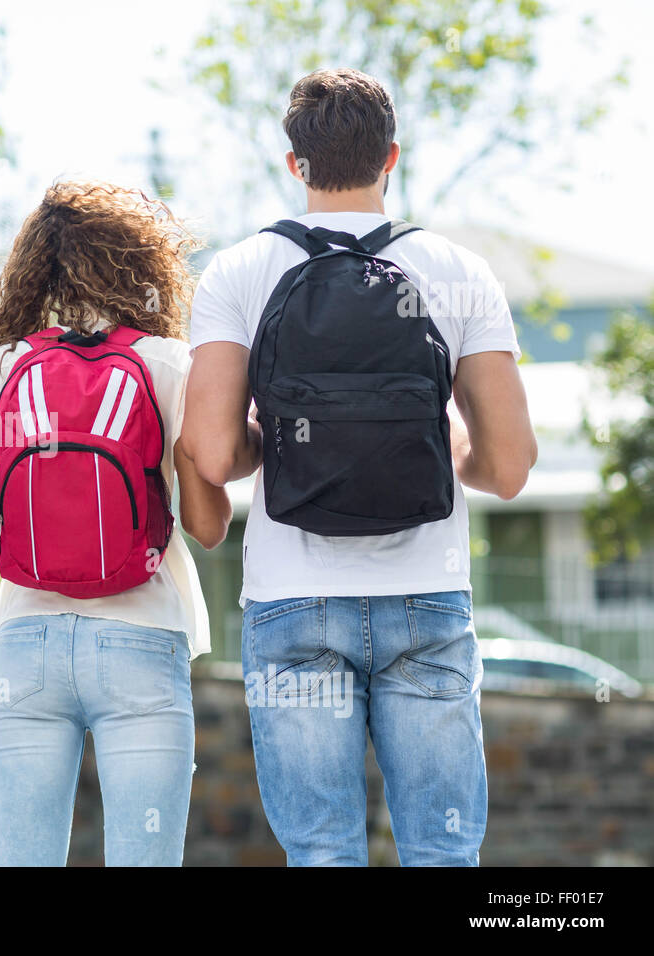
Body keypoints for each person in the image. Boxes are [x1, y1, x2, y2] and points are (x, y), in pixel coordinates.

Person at [182, 68, 537, 866]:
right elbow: (510, 467)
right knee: (442, 853)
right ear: (391, 157)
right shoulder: (458, 272)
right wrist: (448, 443)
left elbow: (213, 453)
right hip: (429, 595)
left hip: (292, 599)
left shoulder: (239, 272)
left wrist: (274, 437)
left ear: (295, 165)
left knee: (321, 852)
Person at [0, 181, 231, 866]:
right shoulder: (169, 364)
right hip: (143, 638)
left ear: (32, 269)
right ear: (140, 266)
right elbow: (206, 526)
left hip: (27, 643)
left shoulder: (0, 367)